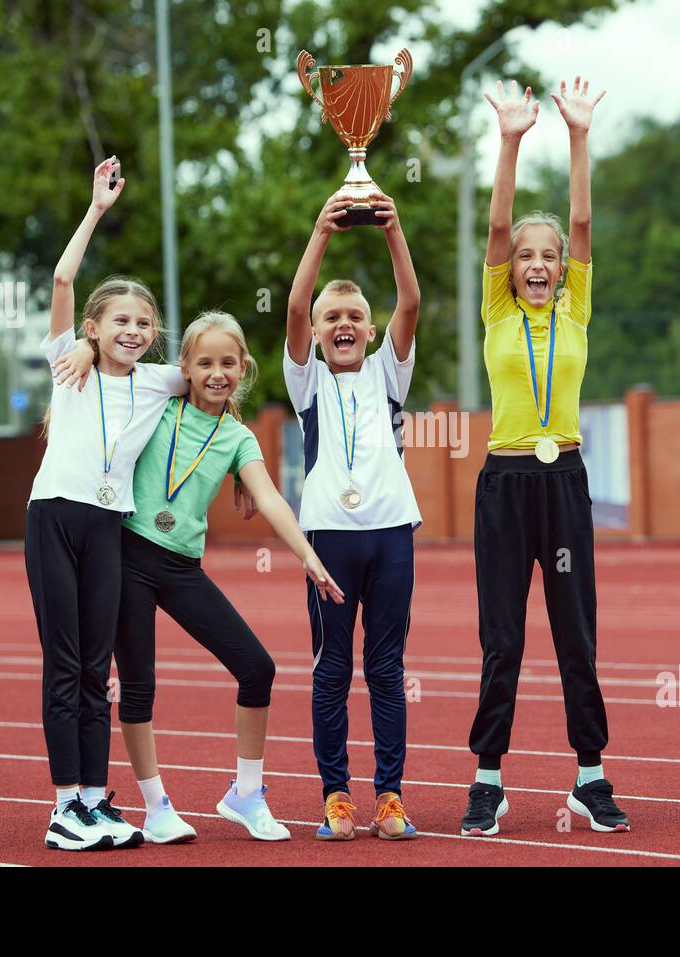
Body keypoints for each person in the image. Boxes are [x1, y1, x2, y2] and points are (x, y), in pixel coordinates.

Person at [49, 311, 344, 842]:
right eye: (204, 362)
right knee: (139, 687)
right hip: (126, 557)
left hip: (182, 566)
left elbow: (272, 497)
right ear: (183, 367)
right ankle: (157, 807)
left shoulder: (238, 437)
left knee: (257, 668)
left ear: (244, 368)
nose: (216, 372)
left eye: (228, 363)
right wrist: (89, 349)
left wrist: (308, 554)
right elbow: (117, 367)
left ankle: (246, 794)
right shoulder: (159, 404)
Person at [461, 78, 629, 838]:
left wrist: (579, 136)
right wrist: (510, 141)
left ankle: (589, 775)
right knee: (503, 638)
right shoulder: (497, 306)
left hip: (563, 480)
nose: (535, 263)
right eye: (525, 256)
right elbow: (496, 223)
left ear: (564, 266)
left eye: (548, 255)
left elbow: (584, 216)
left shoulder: (578, 307)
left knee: (575, 631)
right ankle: (488, 780)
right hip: (504, 481)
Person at [26, 156, 187, 851]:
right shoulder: (67, 360)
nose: (133, 329)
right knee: (65, 662)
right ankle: (64, 805)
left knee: (100, 666)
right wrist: (97, 208)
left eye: (144, 321)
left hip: (110, 527)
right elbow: (63, 279)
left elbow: (223, 364)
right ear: (93, 326)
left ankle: (95, 797)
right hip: (55, 517)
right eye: (119, 319)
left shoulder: (157, 382)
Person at [283, 190, 422, 841]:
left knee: (386, 667)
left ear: (370, 330)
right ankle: (336, 795)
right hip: (329, 540)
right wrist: (320, 233)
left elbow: (412, 303)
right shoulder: (306, 378)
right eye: (331, 315)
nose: (343, 323)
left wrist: (393, 230)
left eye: (355, 316)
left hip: (391, 534)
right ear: (314, 332)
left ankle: (389, 796)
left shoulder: (385, 375)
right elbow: (292, 304)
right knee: (332, 668)